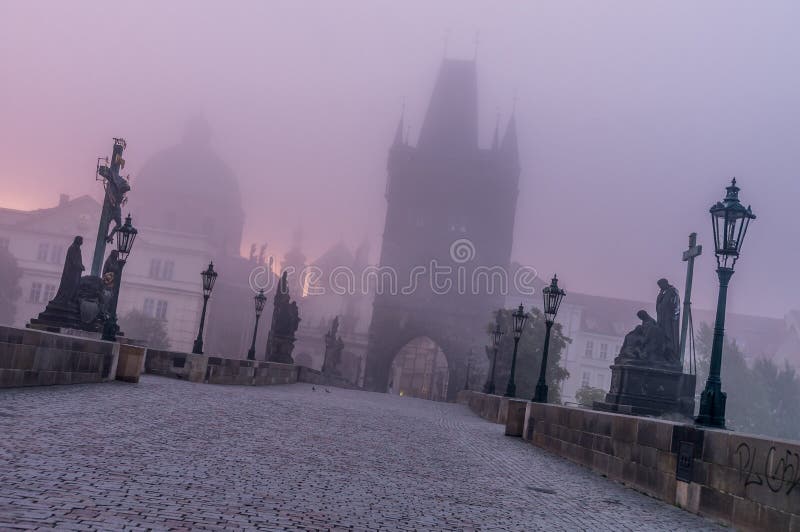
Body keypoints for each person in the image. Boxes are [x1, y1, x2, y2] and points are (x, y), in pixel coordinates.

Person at [53, 236, 84, 304]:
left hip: (75, 271)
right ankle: (66, 299)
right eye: (81, 240)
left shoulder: (77, 249)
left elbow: (78, 260)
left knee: (75, 285)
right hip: (71, 272)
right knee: (71, 285)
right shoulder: (73, 248)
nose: (82, 242)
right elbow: (73, 261)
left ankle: (70, 299)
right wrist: (80, 266)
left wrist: (81, 265)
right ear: (77, 240)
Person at [656, 278, 680, 359]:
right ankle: (663, 351)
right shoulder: (663, 293)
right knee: (661, 335)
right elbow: (659, 305)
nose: (660, 288)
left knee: (669, 335)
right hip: (661, 319)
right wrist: (660, 294)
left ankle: (670, 353)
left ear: (665, 283)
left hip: (669, 319)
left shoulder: (673, 291)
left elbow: (676, 306)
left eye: (661, 286)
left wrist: (673, 316)